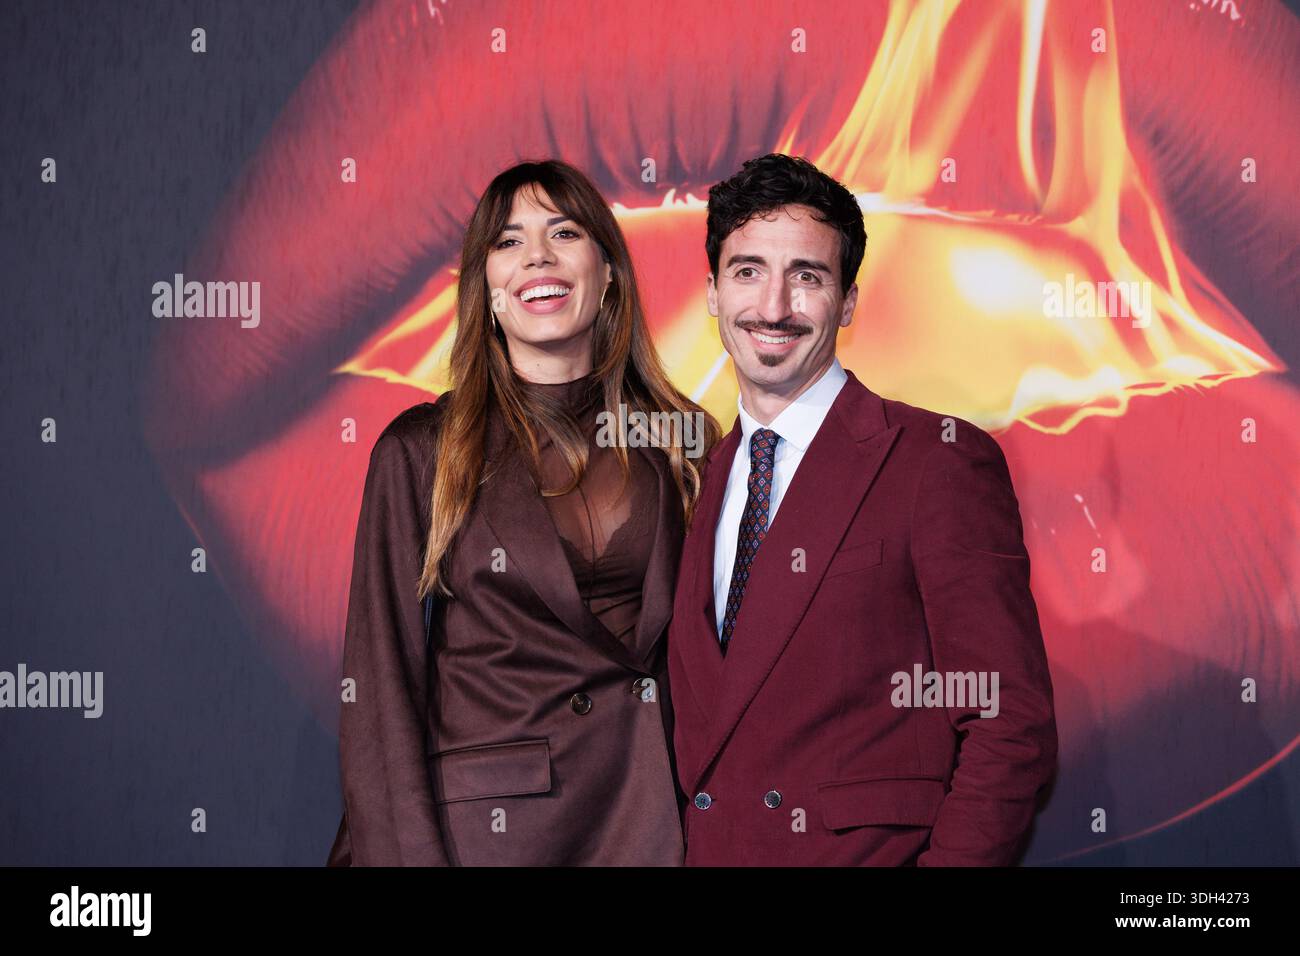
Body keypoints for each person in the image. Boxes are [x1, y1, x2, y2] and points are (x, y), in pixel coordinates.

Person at [667, 153, 1058, 866]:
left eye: (807, 277)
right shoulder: (702, 474)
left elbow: (1007, 722)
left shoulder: (935, 459)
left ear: (847, 302)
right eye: (748, 271)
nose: (774, 307)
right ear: (713, 294)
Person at [328, 159, 719, 866]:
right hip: (488, 840)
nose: (536, 255)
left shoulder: (684, 438)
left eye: (564, 232)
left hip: (658, 828)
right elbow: (379, 691)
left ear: (608, 275)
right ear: (486, 288)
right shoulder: (422, 451)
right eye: (507, 241)